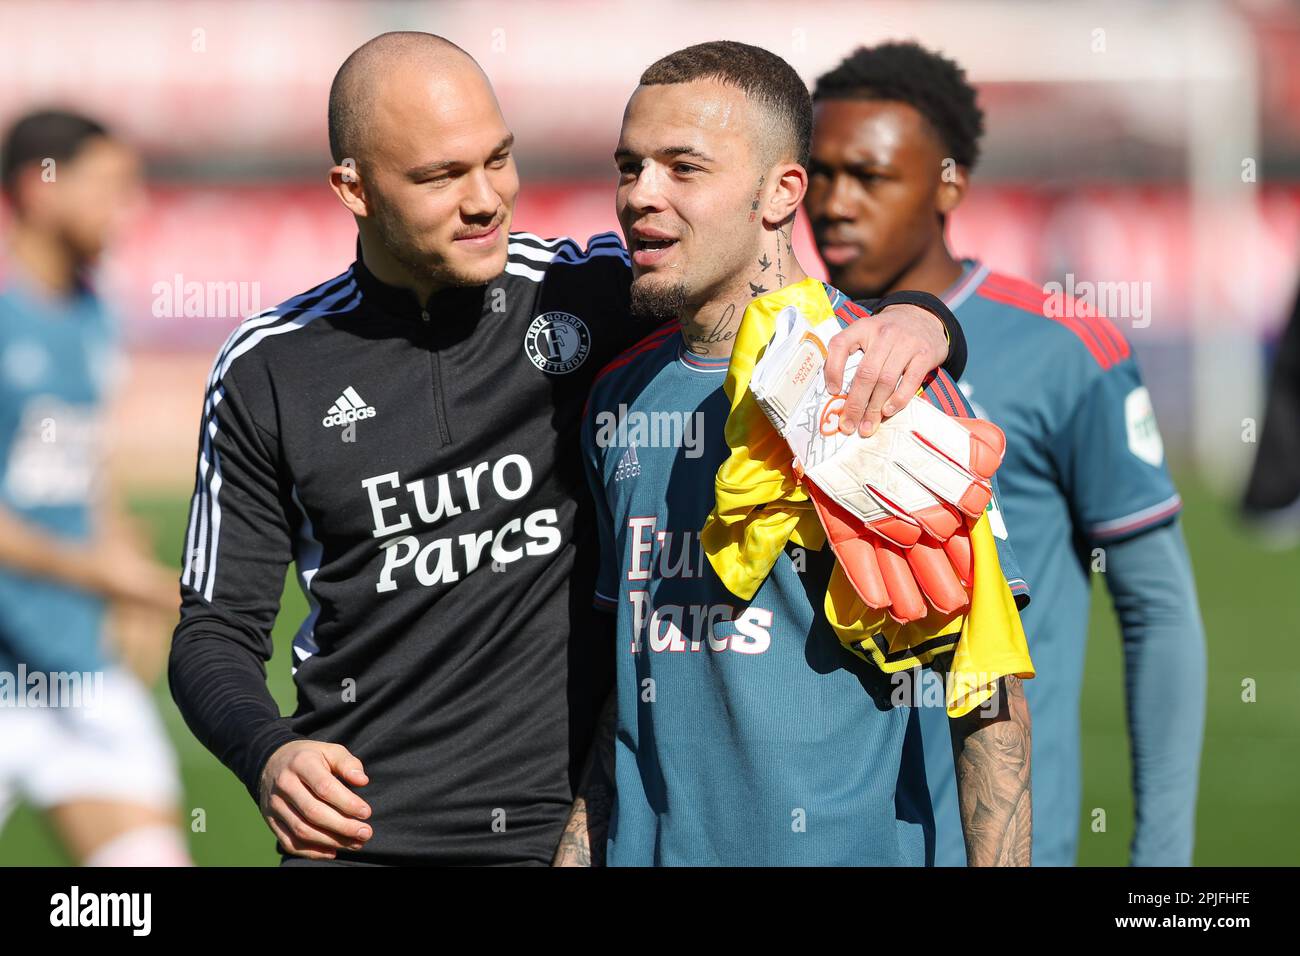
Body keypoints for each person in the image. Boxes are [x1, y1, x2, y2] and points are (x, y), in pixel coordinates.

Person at [167, 32, 961, 865]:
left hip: (562, 840)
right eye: (442, 176)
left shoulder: (590, 293)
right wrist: (267, 752)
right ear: (353, 188)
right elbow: (214, 629)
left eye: (498, 159)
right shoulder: (272, 366)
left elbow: (773, 280)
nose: (487, 200)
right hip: (357, 839)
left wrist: (925, 317)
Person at [560, 40, 1034, 867]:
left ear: (781, 193)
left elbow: (986, 695)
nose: (641, 195)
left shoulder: (885, 385)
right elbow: (631, 688)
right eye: (629, 166)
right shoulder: (618, 395)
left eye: (683, 167)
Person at [805, 41, 1207, 866]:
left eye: (870, 176)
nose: (836, 204)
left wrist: (1161, 865)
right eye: (822, 174)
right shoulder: (785, 349)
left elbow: (1157, 609)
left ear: (949, 181)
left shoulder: (1064, 349)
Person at [0, 109, 191, 866]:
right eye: (109, 185)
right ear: (39, 189)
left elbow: (86, 475)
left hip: (73, 668)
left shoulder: (92, 316)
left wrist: (121, 550)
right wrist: (111, 578)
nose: (128, 206)